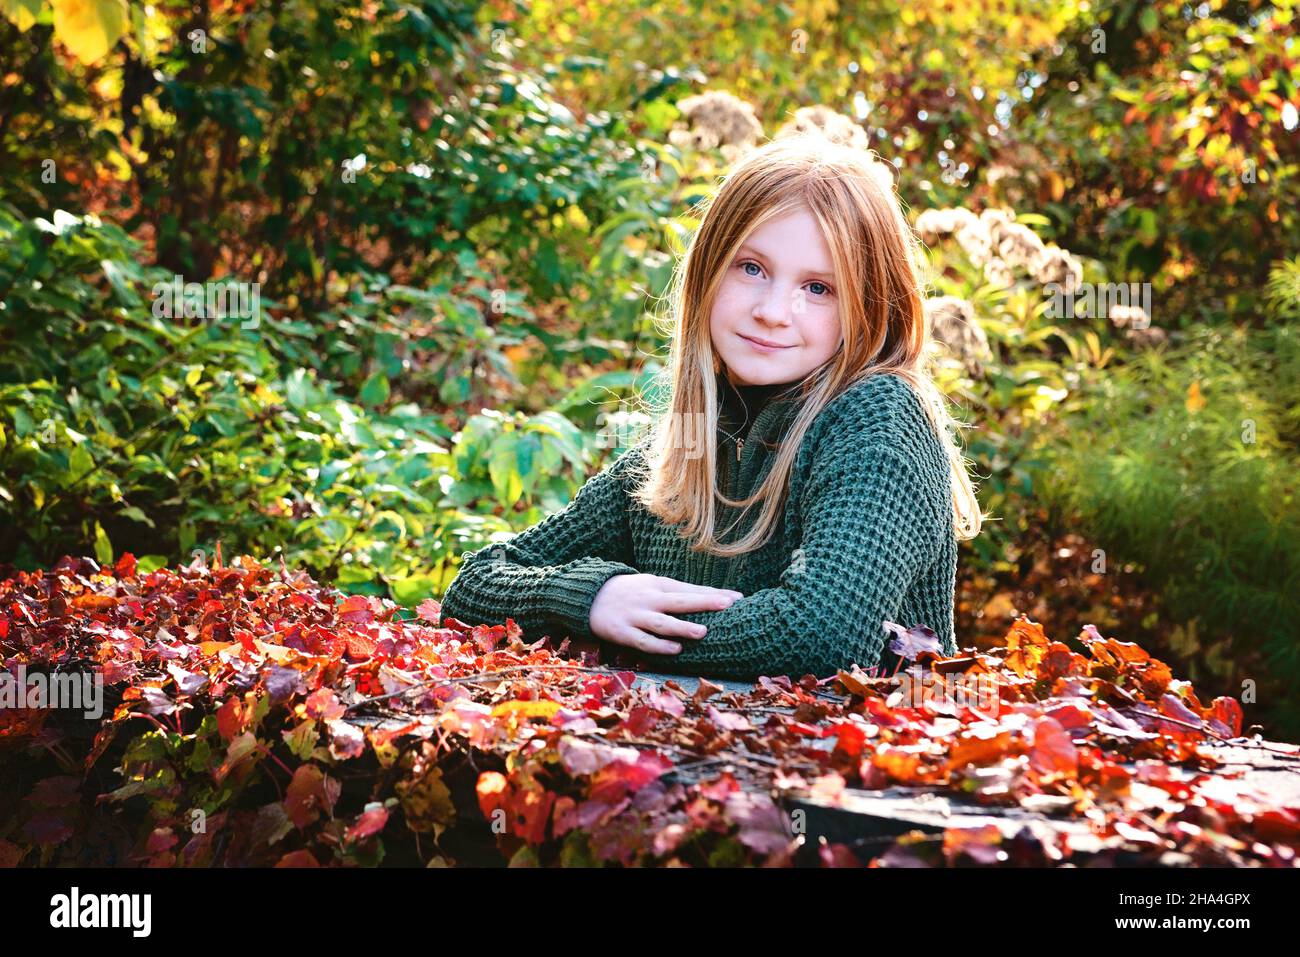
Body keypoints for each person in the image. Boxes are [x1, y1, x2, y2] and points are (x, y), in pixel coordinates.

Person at [439, 132, 985, 680]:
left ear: (869, 306)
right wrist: (594, 599)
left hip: (851, 758)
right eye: (751, 268)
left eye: (819, 288)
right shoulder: (684, 450)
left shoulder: (878, 419)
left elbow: (824, 636)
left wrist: (617, 639)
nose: (774, 310)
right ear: (706, 272)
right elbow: (475, 586)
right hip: (696, 757)